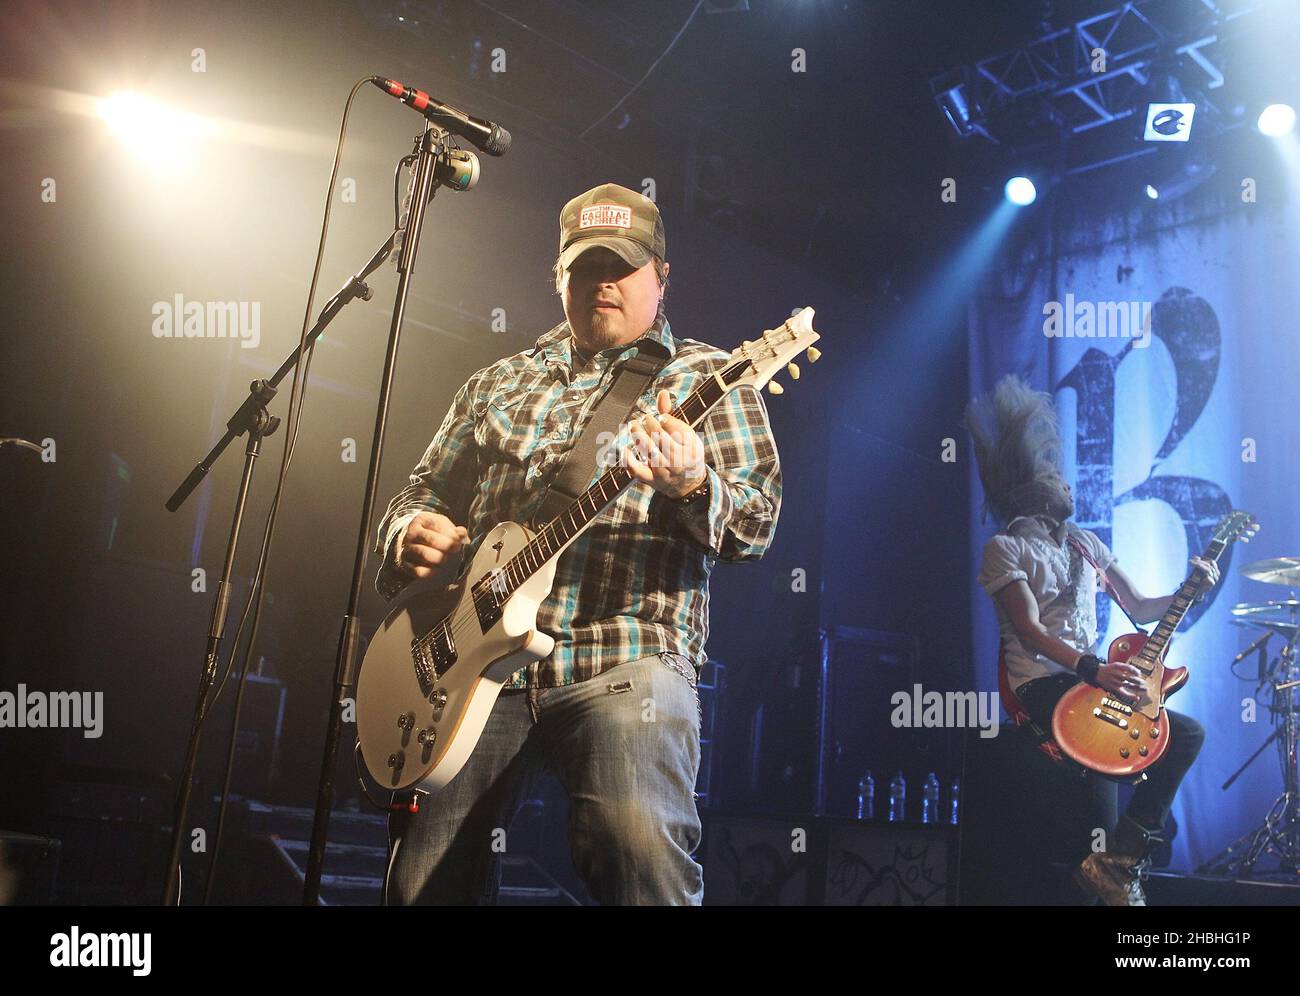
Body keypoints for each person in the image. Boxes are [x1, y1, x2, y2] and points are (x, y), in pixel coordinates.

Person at [372, 183, 782, 905]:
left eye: (622, 267)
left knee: (638, 851)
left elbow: (756, 524)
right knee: (421, 884)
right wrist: (408, 532)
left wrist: (692, 483)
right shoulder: (496, 383)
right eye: (587, 267)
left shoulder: (709, 378)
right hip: (472, 670)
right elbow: (422, 491)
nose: (603, 283)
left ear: (661, 277)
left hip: (624, 654)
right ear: (557, 278)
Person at [965, 374, 1218, 906]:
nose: (1069, 486)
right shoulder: (1005, 548)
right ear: (1032, 489)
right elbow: (1031, 633)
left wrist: (1189, 588)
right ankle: (1102, 868)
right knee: (1081, 834)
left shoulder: (1085, 543)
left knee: (1186, 734)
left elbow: (1141, 606)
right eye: (1058, 478)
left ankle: (1121, 858)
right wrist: (1094, 669)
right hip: (1045, 688)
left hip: (1089, 684)